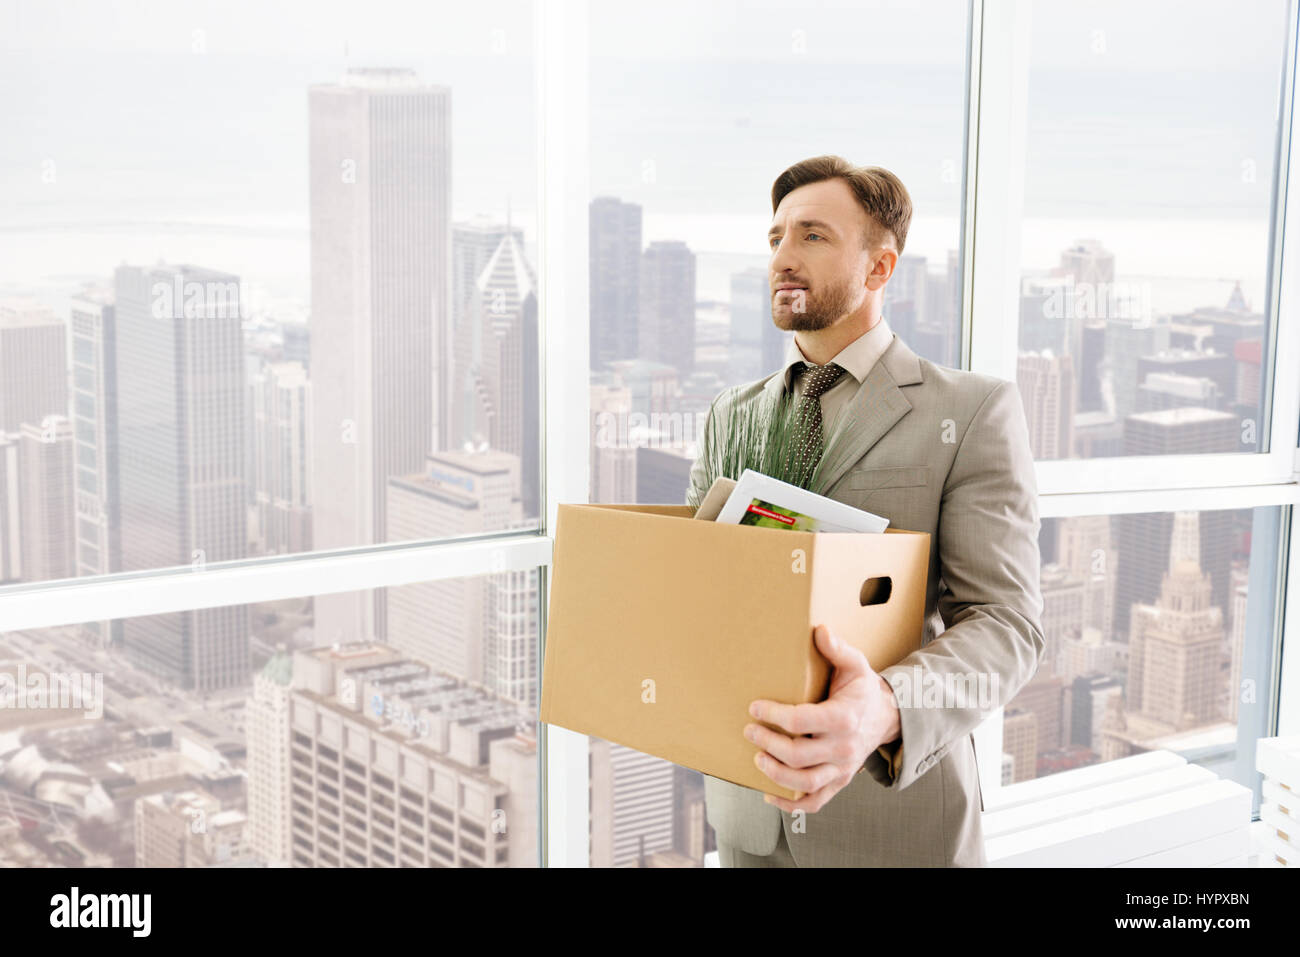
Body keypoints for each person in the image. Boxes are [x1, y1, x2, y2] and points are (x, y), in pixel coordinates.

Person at [686, 155, 1046, 867]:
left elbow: (1007, 625)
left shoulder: (971, 411)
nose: (784, 257)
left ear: (879, 269)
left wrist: (882, 706)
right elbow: (699, 591)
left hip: (898, 827)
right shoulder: (730, 414)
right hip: (749, 820)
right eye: (776, 237)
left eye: (813, 236)